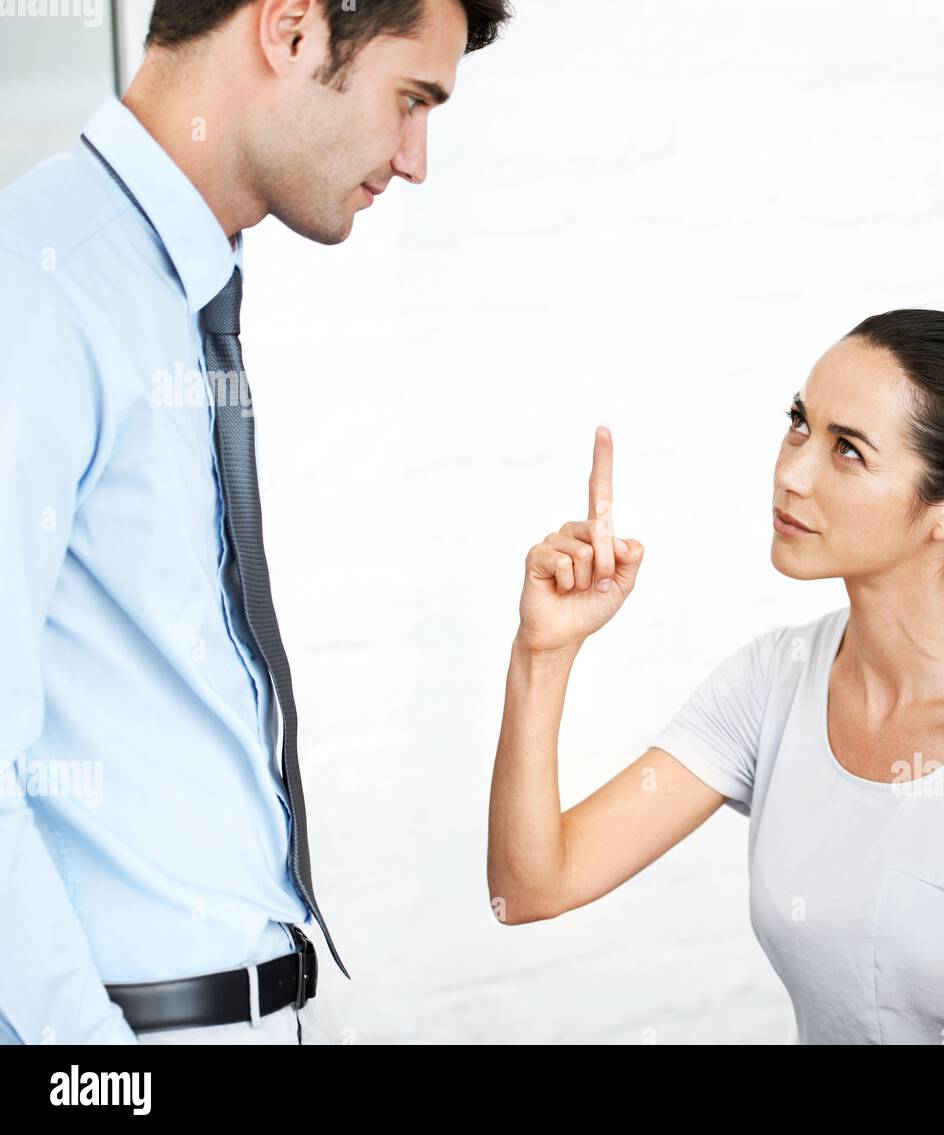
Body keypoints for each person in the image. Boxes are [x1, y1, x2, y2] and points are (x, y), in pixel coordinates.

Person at [0, 0, 512, 1045]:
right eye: (409, 99)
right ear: (290, 30)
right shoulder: (41, 285)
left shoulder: (162, 284)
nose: (414, 160)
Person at [487, 308, 944, 1044]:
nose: (791, 472)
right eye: (800, 422)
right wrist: (542, 653)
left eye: (848, 451)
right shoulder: (773, 682)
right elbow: (532, 888)